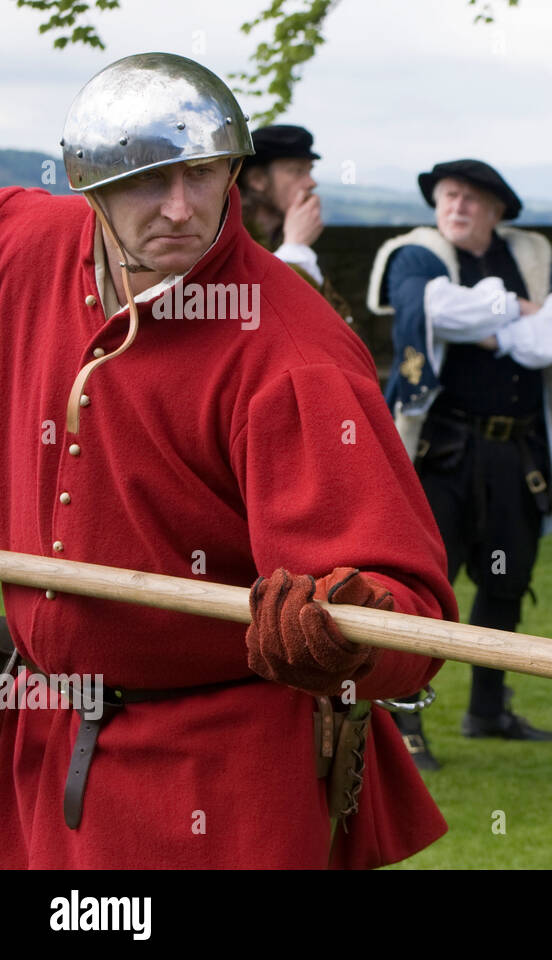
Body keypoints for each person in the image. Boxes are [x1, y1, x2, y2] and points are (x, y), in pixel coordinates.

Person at [0, 52, 458, 868]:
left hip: (224, 770)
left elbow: (409, 618)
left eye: (206, 175)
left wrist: (342, 626)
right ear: (91, 184)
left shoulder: (293, 357)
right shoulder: (30, 249)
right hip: (48, 730)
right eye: (149, 179)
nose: (181, 209)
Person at [367, 159, 552, 766]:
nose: (457, 207)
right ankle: (406, 727)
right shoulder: (414, 253)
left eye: (472, 198)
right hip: (440, 451)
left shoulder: (530, 254)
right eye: (448, 195)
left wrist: (492, 318)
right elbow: (436, 311)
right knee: (420, 588)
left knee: (505, 584)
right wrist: (514, 311)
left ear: (497, 211)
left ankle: (489, 711)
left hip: (516, 451)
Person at [237, 123, 353, 323]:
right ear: (257, 180)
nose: (311, 183)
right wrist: (296, 248)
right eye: (297, 171)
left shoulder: (284, 235)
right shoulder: (229, 240)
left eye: (309, 170)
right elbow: (253, 315)